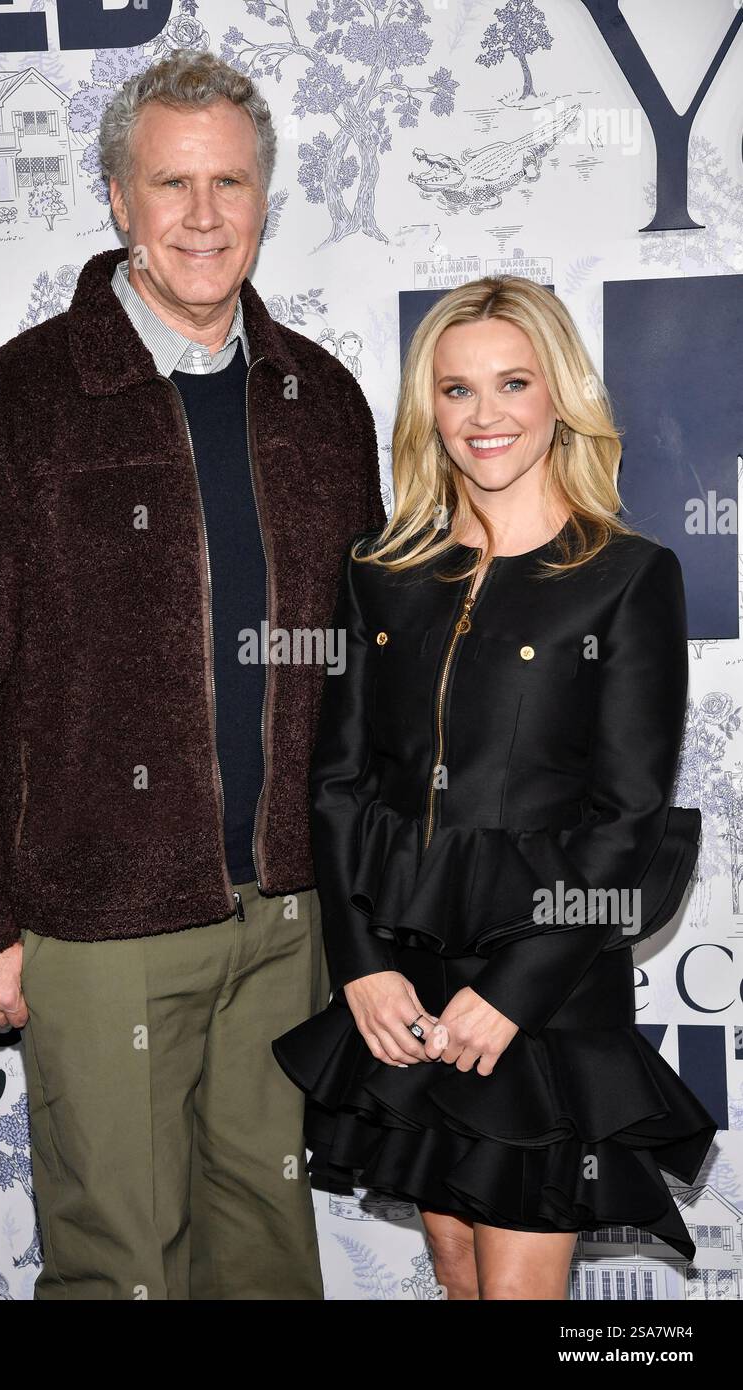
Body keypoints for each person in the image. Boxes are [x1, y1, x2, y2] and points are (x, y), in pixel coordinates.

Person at [0, 48, 385, 1300]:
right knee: (121, 1266)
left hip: (284, 916)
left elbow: (366, 678)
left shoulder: (319, 401)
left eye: (230, 183)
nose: (204, 216)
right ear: (117, 197)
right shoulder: (22, 398)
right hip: (97, 916)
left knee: (268, 1258)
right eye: (173, 184)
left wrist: (365, 902)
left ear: (267, 198)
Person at [272, 275, 718, 1301]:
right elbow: (338, 782)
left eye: (511, 383)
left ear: (556, 395)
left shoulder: (624, 575)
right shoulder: (380, 569)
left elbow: (626, 825)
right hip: (406, 983)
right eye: (456, 389)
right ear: (428, 406)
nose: (484, 416)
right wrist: (363, 966)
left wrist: (508, 995)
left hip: (540, 994)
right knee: (458, 1270)